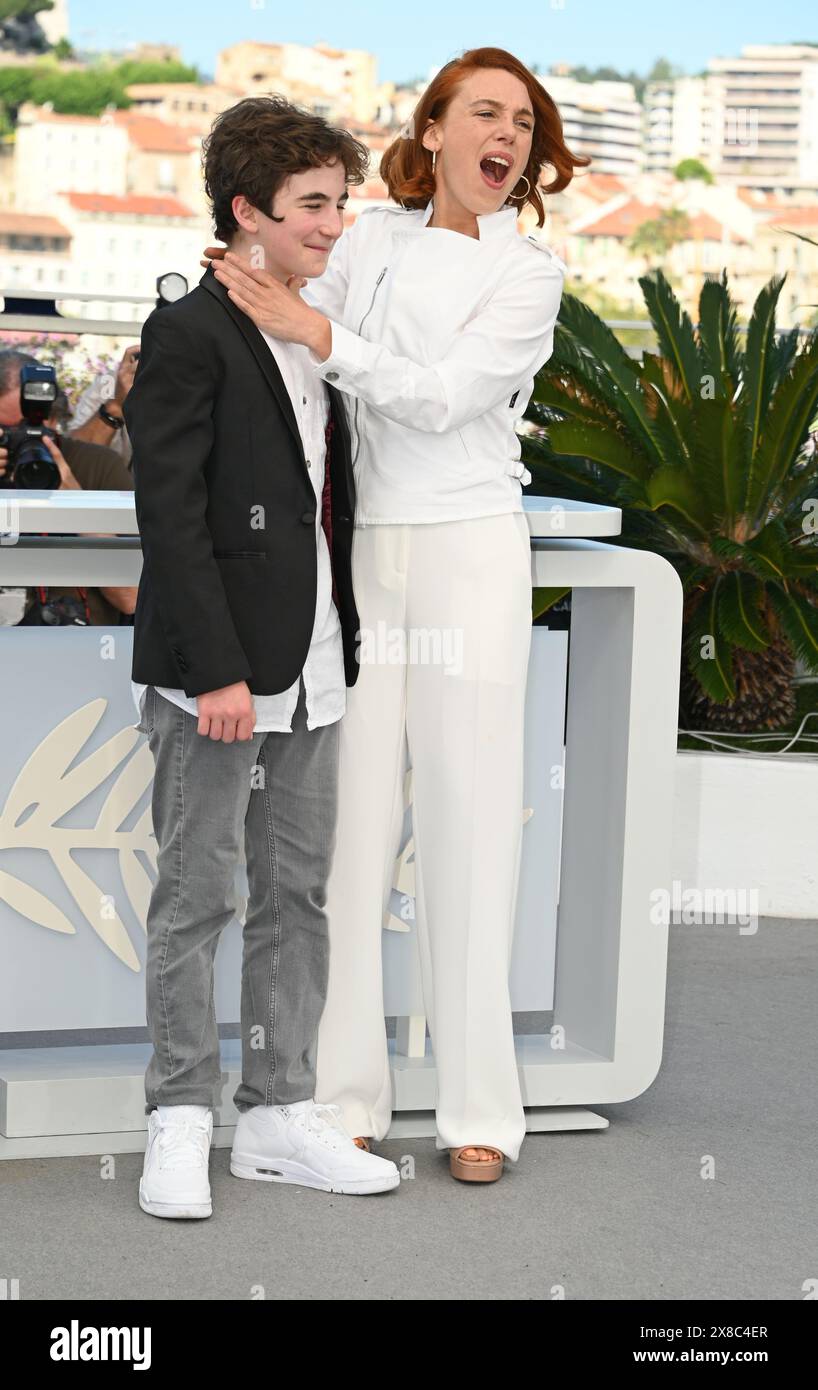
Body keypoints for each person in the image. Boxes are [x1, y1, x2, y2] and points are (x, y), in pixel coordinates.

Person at [203, 48, 588, 1183]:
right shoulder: (365, 237)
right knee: (350, 826)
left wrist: (321, 335)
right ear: (433, 129)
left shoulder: (533, 274)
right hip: (360, 553)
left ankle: (481, 1110)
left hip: (471, 548)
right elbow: (277, 321)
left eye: (521, 120)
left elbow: (439, 399)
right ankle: (340, 1099)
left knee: (471, 824)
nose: (504, 134)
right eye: (482, 112)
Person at [124, 96, 401, 1220]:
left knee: (298, 894)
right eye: (313, 206)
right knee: (195, 896)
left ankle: (279, 1115)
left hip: (318, 657)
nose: (336, 223)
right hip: (221, 669)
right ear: (248, 210)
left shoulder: (311, 323)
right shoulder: (189, 330)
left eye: (341, 201)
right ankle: (178, 1118)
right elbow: (171, 514)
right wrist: (216, 670)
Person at [0, 350, 137, 627]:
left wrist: (73, 497)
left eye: (31, 425)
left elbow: (131, 597)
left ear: (52, 417)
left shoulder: (98, 465)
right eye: (7, 430)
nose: (22, 439)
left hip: (83, 652)